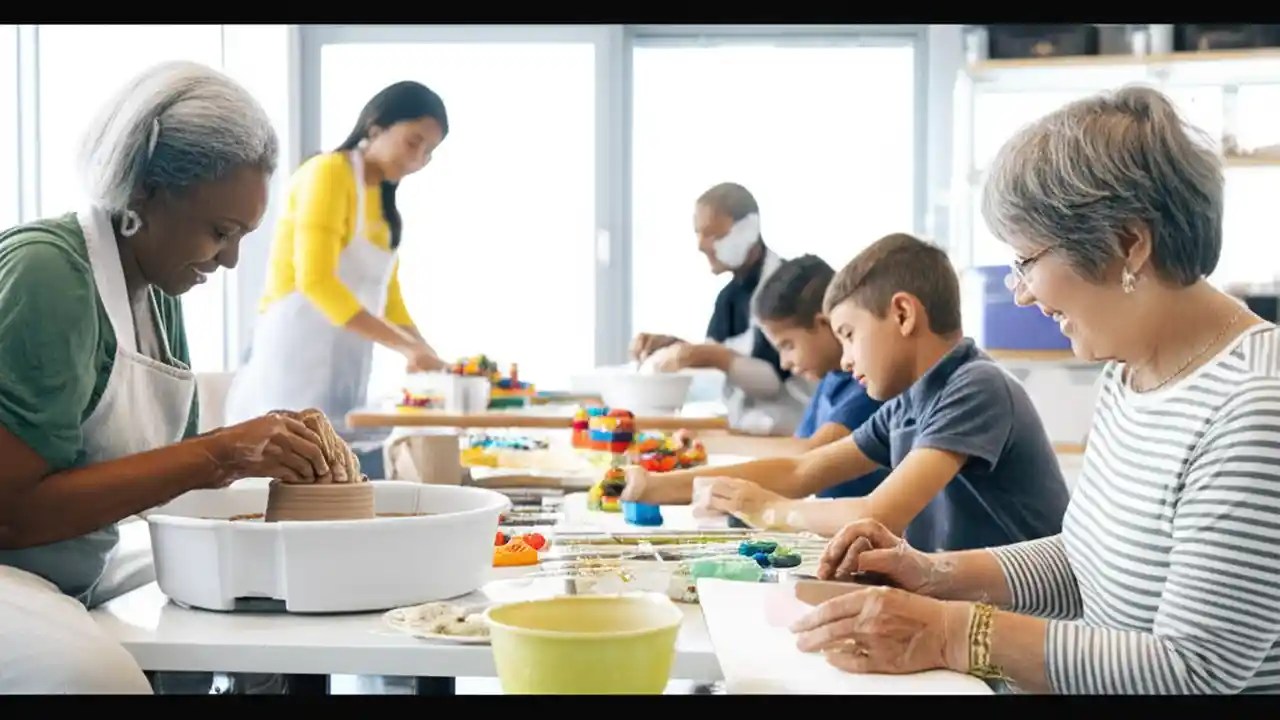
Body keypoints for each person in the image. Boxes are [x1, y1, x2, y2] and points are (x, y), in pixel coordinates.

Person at [790, 86, 1280, 695]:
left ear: (1129, 244)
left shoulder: (1254, 410)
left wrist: (949, 631)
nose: (1021, 293)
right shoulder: (1128, 375)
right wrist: (931, 573)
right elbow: (1084, 562)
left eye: (1027, 260)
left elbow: (1194, 671)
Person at [0, 61, 329, 694]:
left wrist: (256, 458)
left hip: (73, 558)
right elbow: (10, 514)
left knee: (266, 607)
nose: (230, 259)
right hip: (12, 560)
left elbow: (163, 478)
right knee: (97, 680)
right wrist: (221, 453)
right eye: (219, 232)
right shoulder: (47, 274)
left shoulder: (156, 288)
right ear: (143, 192)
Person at [624, 233, 1070, 553]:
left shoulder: (975, 386)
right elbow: (802, 471)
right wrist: (656, 486)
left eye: (849, 334)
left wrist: (770, 511)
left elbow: (880, 513)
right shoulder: (904, 407)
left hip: (1016, 638)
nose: (844, 359)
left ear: (901, 314)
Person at [225, 81, 449, 477]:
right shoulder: (328, 173)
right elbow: (316, 282)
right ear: (376, 127)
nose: (418, 159)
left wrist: (428, 353)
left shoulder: (382, 204)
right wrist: (407, 349)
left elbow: (389, 298)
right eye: (413, 142)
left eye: (429, 152)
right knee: (291, 472)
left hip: (343, 364)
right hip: (294, 357)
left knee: (335, 474)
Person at [630, 182, 813, 436]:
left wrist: (708, 355)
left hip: (792, 432)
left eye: (713, 234)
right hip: (747, 431)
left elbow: (771, 380)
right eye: (698, 233)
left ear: (749, 228)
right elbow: (719, 364)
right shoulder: (728, 298)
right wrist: (674, 346)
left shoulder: (785, 288)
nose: (702, 245)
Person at [748, 253, 889, 497]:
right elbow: (795, 447)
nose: (784, 363)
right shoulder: (830, 380)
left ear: (824, 324)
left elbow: (807, 454)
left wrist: (708, 445)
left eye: (788, 345)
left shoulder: (869, 385)